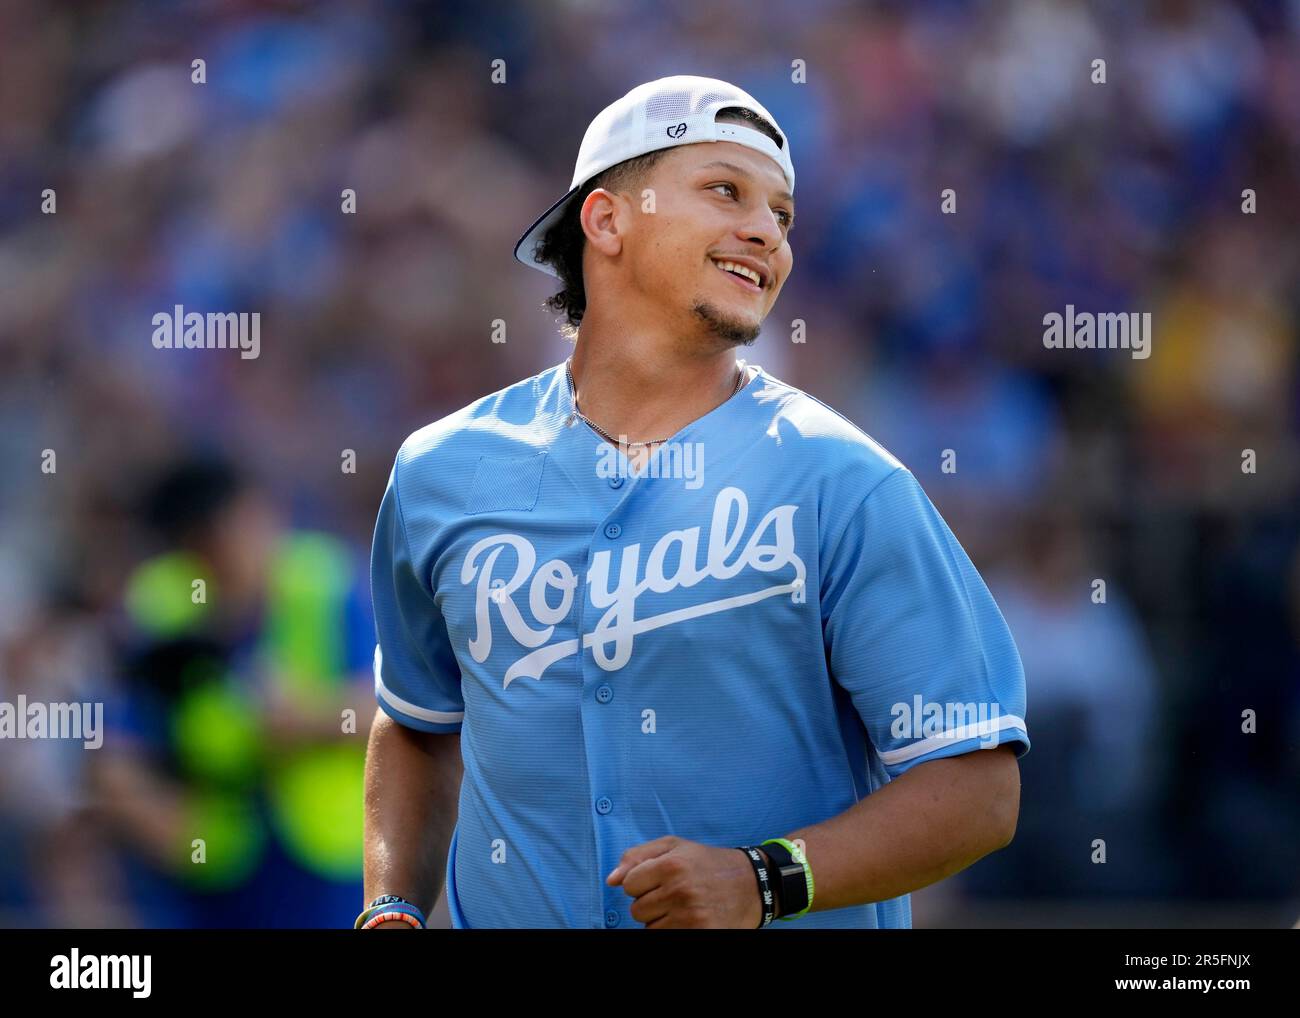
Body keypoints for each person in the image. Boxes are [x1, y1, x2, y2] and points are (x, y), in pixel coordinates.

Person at [361, 76, 1029, 930]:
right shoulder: (440, 471)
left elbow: (979, 788)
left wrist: (766, 879)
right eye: (725, 191)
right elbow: (419, 724)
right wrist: (391, 905)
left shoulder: (844, 481)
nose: (767, 233)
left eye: (783, 216)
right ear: (606, 220)